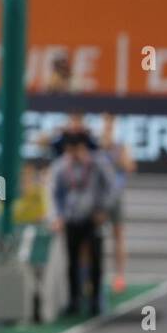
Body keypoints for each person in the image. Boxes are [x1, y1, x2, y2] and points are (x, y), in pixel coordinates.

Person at [51, 132, 122, 317]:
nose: (73, 155)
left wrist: (104, 210)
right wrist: (58, 216)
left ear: (84, 149)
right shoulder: (61, 166)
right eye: (70, 150)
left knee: (96, 261)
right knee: (72, 262)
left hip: (93, 218)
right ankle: (74, 300)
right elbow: (55, 193)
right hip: (71, 219)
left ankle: (95, 300)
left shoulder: (98, 164)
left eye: (77, 150)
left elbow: (113, 187)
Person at [99, 114, 136, 294]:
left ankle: (119, 276)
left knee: (118, 235)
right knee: (91, 238)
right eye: (105, 123)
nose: (108, 126)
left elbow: (129, 167)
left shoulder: (121, 146)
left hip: (116, 196)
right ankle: (92, 277)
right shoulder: (97, 145)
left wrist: (117, 155)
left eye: (110, 123)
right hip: (99, 197)